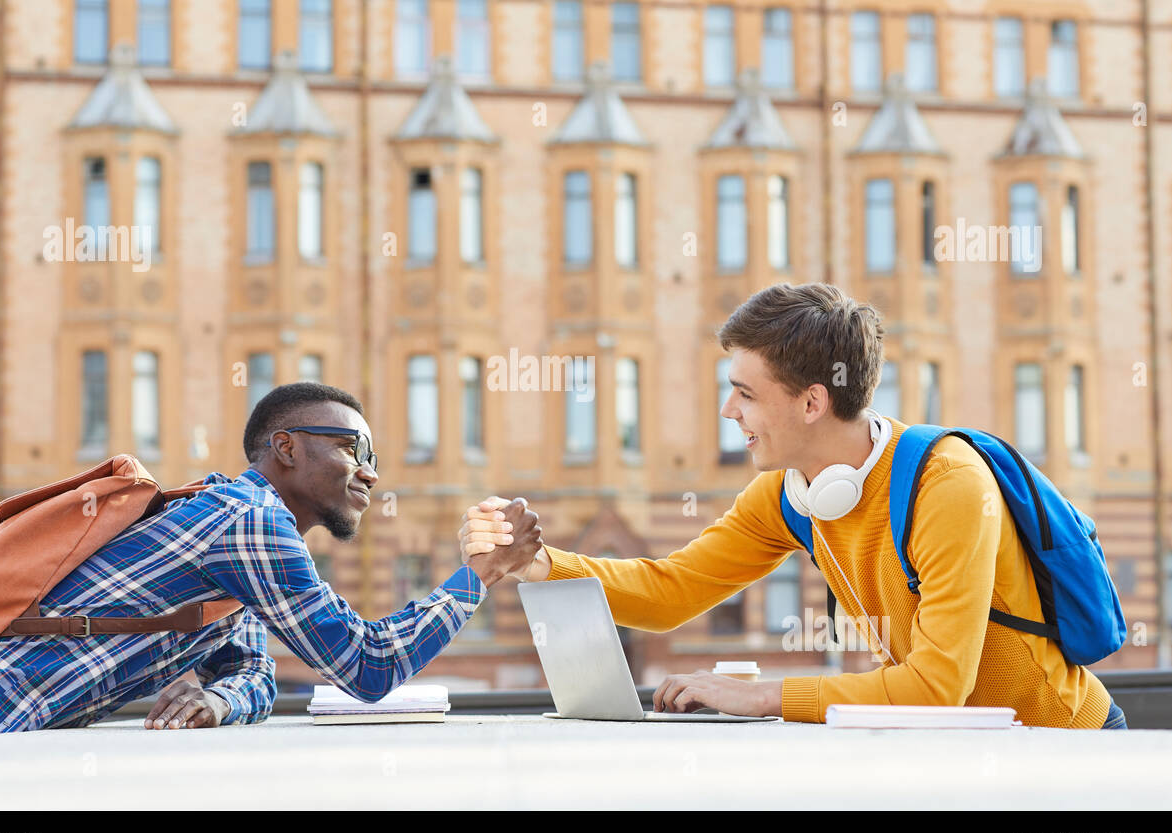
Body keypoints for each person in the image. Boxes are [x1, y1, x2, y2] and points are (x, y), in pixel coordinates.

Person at [460, 282, 1125, 729]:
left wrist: (760, 696)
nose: (729, 411)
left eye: (744, 394)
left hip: (1067, 745)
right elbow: (672, 591)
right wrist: (540, 564)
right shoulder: (789, 496)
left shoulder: (947, 485)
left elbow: (935, 687)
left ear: (811, 401)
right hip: (962, 749)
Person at [0, 382, 541, 736]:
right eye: (354, 448)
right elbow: (367, 669)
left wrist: (220, 700)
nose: (370, 474)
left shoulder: (239, 531)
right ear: (286, 448)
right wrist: (480, 574)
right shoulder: (247, 522)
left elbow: (254, 670)